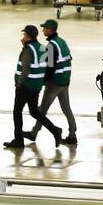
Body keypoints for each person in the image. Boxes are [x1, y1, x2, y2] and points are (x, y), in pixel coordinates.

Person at [4, 25, 62, 150]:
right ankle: (55, 131)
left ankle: (18, 140)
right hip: (36, 86)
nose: (22, 38)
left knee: (17, 112)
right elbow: (47, 65)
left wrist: (19, 84)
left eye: (24, 35)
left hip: (25, 86)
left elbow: (25, 70)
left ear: (28, 36)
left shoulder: (28, 50)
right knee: (34, 111)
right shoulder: (41, 48)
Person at [27, 18, 77, 146]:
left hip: (55, 82)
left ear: (50, 30)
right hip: (65, 81)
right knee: (66, 108)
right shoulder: (62, 42)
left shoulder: (51, 46)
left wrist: (41, 82)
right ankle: (72, 134)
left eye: (45, 28)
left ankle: (34, 133)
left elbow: (49, 67)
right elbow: (68, 59)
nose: (43, 30)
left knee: (41, 110)